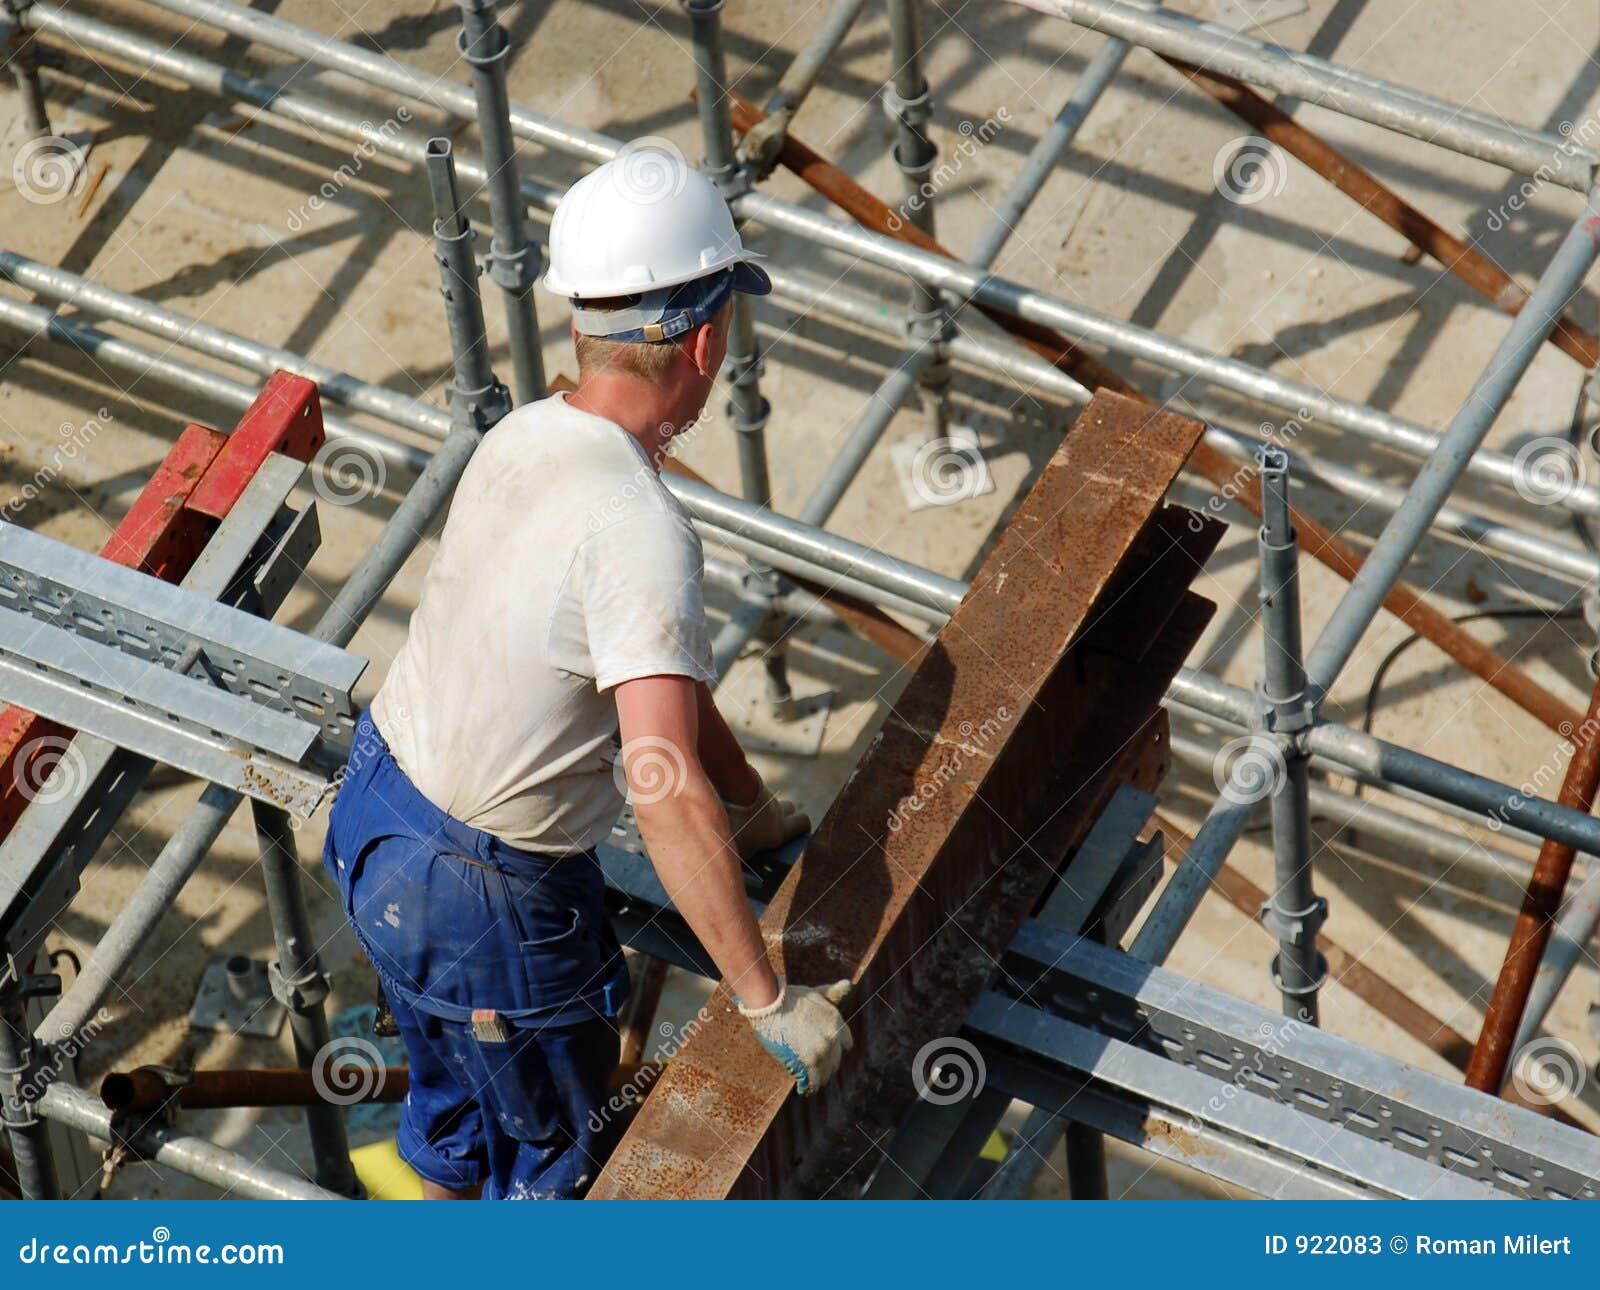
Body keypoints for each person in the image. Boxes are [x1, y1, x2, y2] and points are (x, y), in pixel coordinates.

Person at [322, 146, 852, 1200]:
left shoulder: (525, 435)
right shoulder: (637, 526)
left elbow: (645, 675)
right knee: (547, 1184)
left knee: (460, 1124)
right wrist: (762, 997)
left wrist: (746, 806)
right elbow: (656, 785)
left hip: (374, 816)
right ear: (704, 341)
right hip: (485, 904)